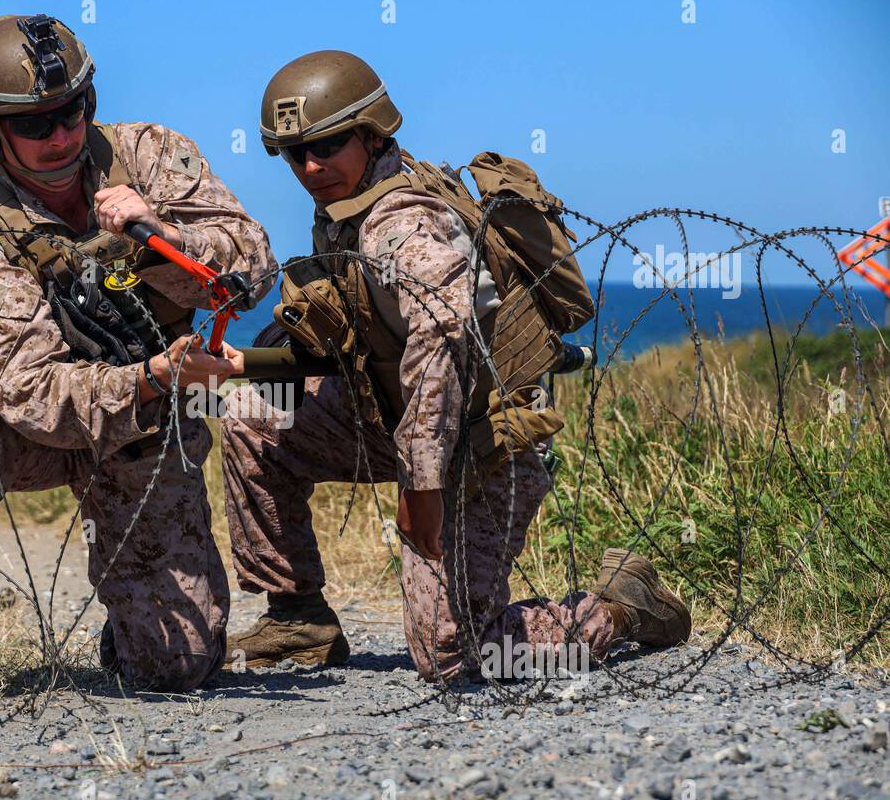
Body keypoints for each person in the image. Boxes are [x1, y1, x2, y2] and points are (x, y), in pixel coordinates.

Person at [0, 14, 276, 717]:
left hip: (145, 421)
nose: (61, 135)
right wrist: (152, 376)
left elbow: (251, 265)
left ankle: (133, 622)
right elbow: (30, 387)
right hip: (46, 419)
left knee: (181, 667)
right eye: (35, 123)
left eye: (70, 112)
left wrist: (166, 236)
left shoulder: (152, 154)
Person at [221, 51, 691, 681]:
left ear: (371, 132)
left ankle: (621, 606)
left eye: (328, 144)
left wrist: (421, 489)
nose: (310, 166)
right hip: (396, 418)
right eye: (293, 151)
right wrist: (243, 364)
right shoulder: (345, 208)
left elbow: (437, 353)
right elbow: (363, 346)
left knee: (455, 653)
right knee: (252, 416)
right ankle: (298, 615)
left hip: (479, 439)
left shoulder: (405, 226)